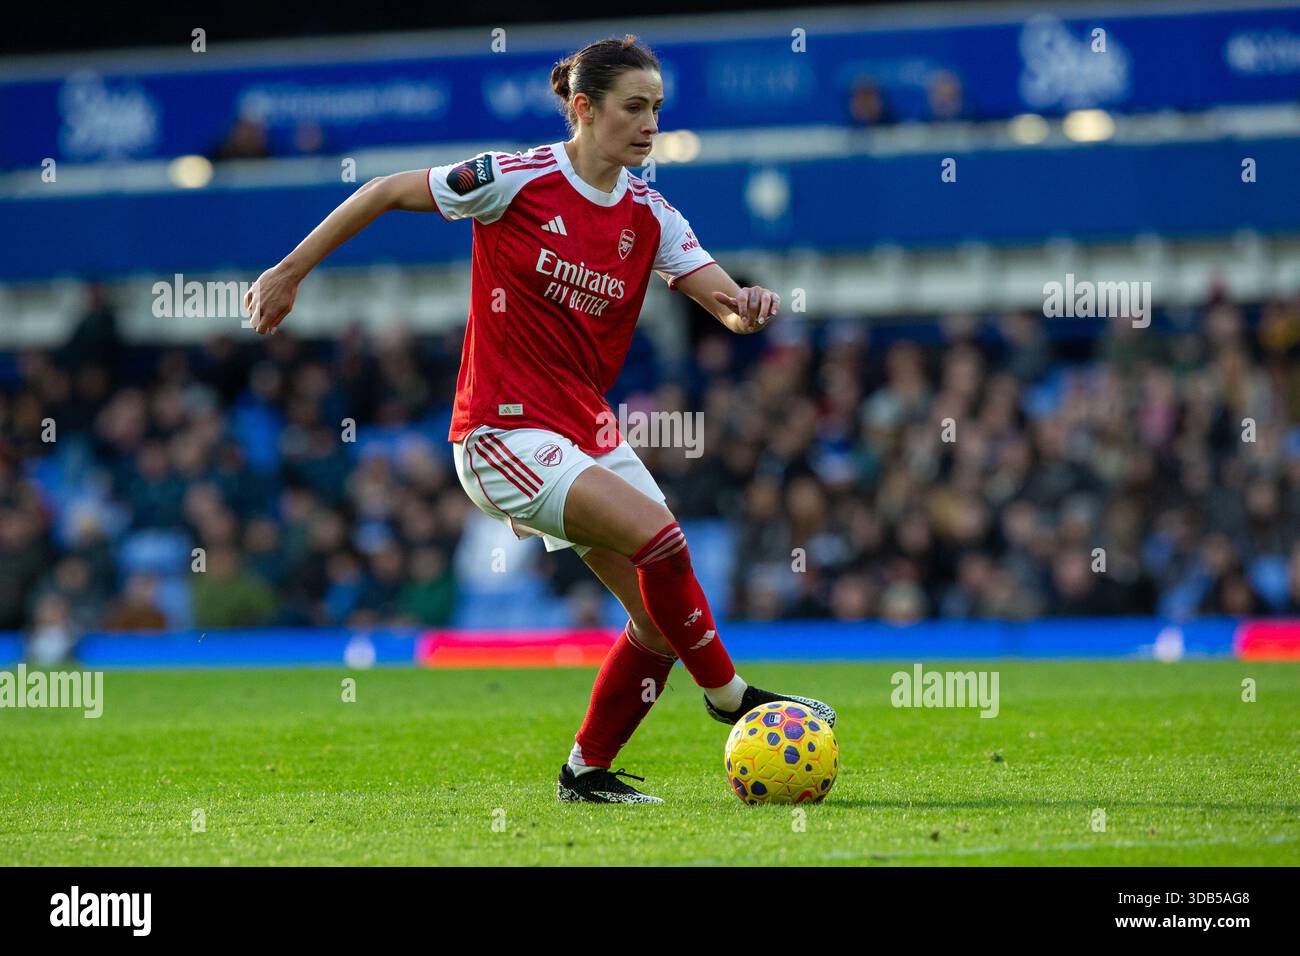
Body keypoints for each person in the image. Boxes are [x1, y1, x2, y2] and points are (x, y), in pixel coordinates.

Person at [244, 35, 836, 804]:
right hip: (499, 433)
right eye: (634, 107)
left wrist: (746, 309)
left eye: (657, 108)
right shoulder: (514, 180)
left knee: (658, 618)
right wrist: (289, 272)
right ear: (584, 110)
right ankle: (730, 698)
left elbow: (723, 298)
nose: (650, 123)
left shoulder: (651, 215)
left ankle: (585, 774)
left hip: (583, 434)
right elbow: (386, 190)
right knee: (662, 539)